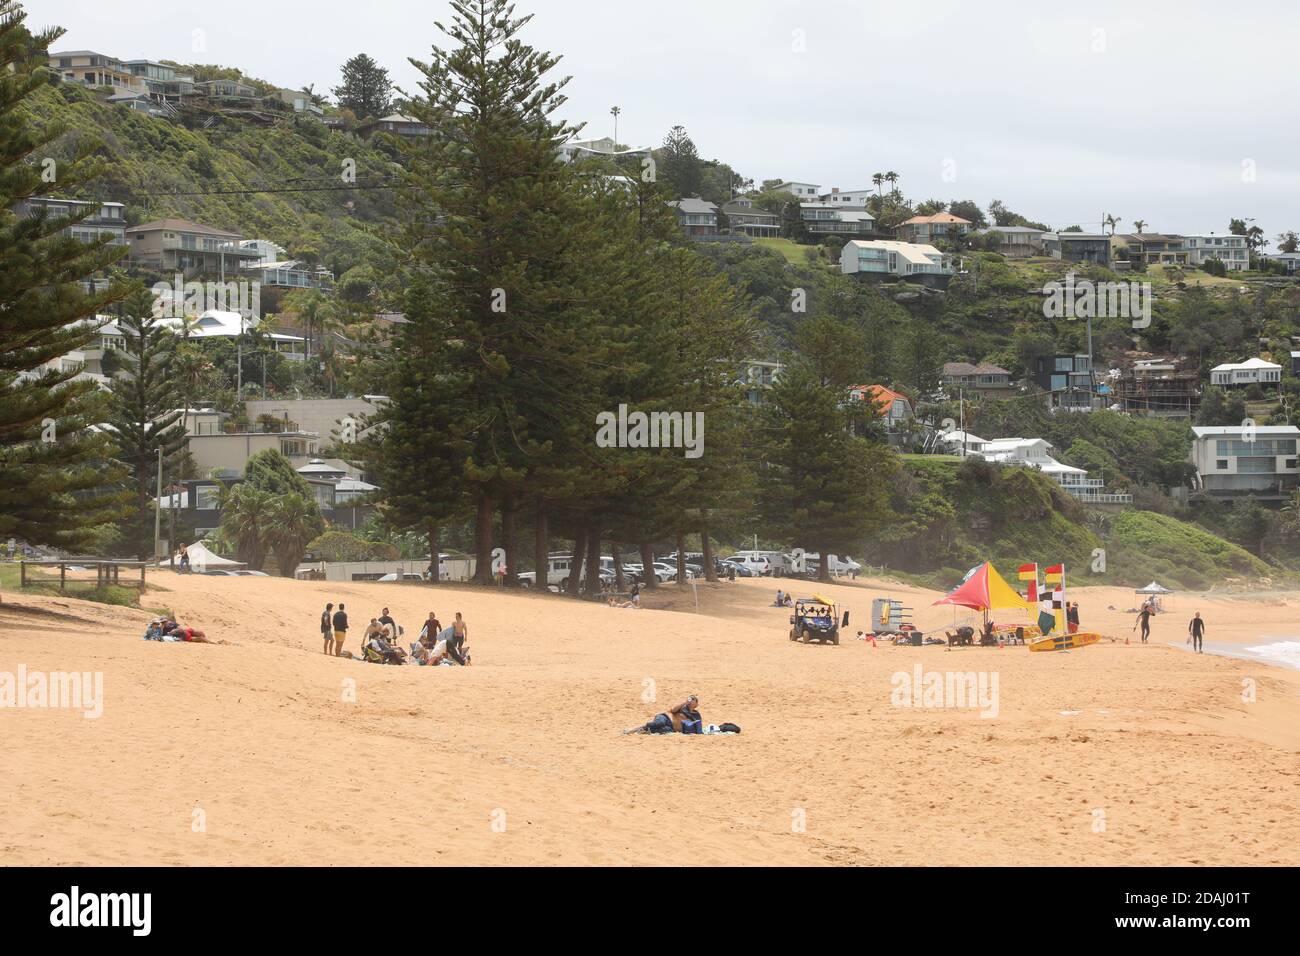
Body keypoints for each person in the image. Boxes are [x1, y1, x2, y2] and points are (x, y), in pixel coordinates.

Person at [623, 695, 702, 735]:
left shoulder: (696, 715)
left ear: (696, 704)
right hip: (666, 717)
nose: (691, 701)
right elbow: (673, 710)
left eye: (693, 700)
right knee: (658, 723)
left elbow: (697, 726)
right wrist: (684, 703)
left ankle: (643, 730)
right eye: (690, 699)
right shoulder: (683, 707)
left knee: (664, 730)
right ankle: (632, 729)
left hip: (672, 728)